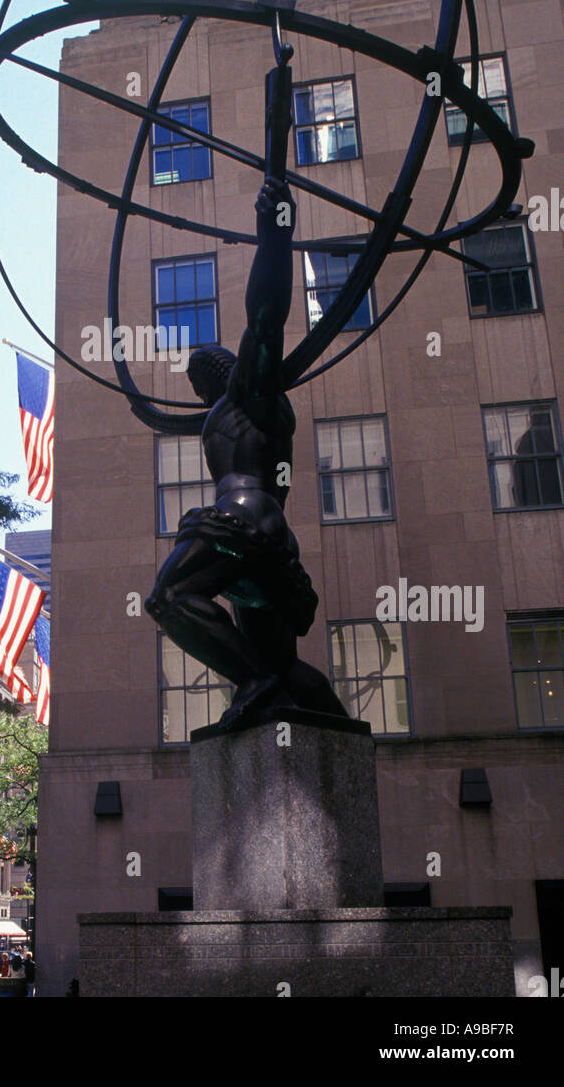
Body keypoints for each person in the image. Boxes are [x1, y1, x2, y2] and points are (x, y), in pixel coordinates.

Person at [145, 47, 349, 729]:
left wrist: (275, 231)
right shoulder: (228, 411)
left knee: (170, 597)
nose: (217, 369)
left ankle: (255, 683)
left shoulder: (254, 397)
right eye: (209, 370)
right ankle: (336, 730)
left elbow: (266, 311)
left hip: (245, 527)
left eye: (220, 362)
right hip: (258, 542)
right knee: (288, 671)